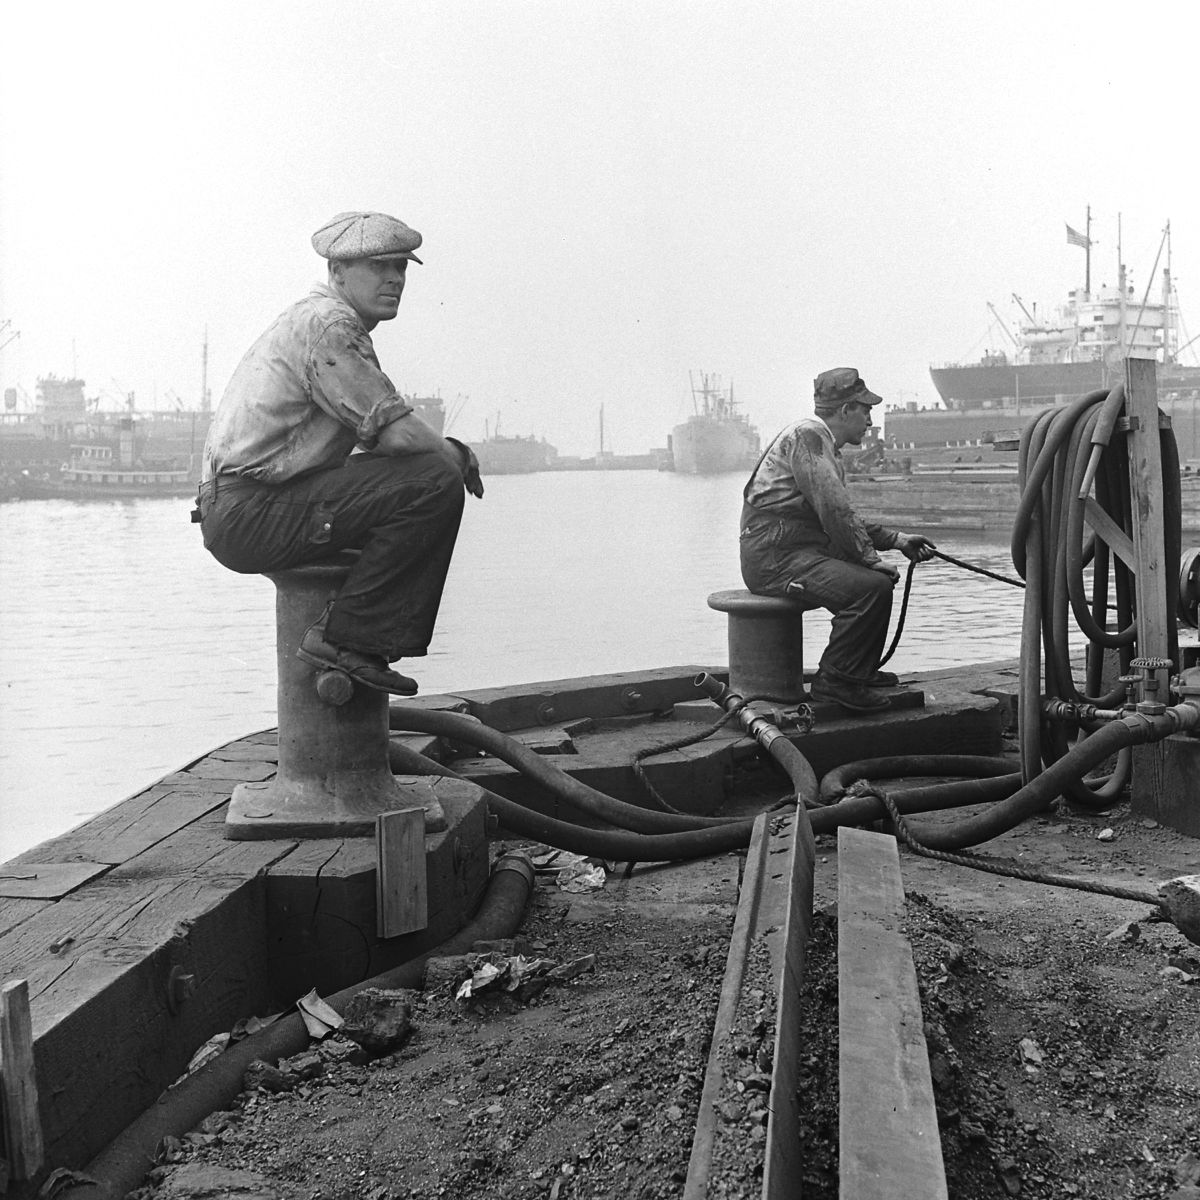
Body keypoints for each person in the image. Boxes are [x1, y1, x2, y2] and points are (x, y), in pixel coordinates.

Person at [194, 210, 483, 696]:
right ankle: (348, 642)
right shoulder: (331, 326)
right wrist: (455, 454)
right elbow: (397, 435)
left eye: (401, 267)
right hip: (250, 513)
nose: (394, 278)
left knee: (419, 473)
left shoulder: (318, 321)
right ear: (337, 272)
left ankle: (352, 634)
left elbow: (379, 436)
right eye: (378, 266)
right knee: (434, 479)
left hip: (245, 507)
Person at [739, 367, 936, 714]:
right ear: (845, 410)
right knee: (871, 589)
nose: (870, 421)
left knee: (873, 583)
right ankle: (837, 682)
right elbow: (835, 512)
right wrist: (870, 559)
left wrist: (897, 540)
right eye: (865, 410)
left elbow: (839, 516)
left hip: (790, 547)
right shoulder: (810, 437)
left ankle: (856, 672)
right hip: (774, 558)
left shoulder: (818, 442)